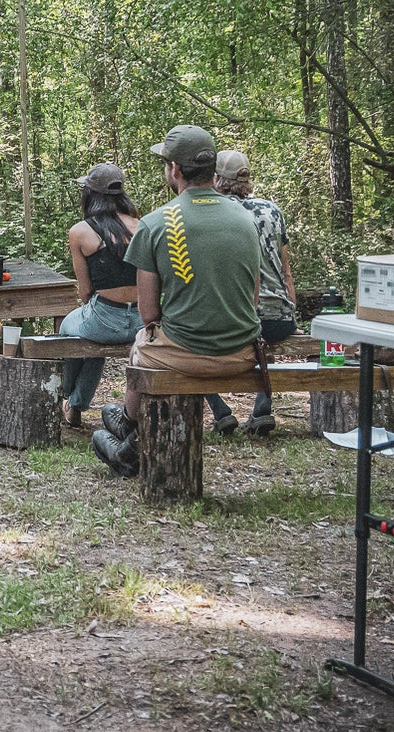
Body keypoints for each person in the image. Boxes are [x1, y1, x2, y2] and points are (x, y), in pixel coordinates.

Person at [93, 125, 262, 475]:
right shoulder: (246, 219)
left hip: (186, 354)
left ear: (175, 170)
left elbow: (149, 314)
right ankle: (127, 434)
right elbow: (253, 296)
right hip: (243, 353)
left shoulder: (156, 223)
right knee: (146, 343)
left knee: (141, 344)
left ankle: (129, 436)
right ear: (212, 169)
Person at [204, 150, 299, 437]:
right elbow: (286, 271)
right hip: (278, 319)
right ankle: (262, 409)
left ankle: (221, 411)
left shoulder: (213, 211)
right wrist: (291, 312)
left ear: (215, 178)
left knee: (188, 340)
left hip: (236, 318)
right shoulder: (272, 210)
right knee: (264, 340)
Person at [56, 163, 143, 427]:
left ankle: (67, 397)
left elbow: (85, 291)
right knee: (90, 340)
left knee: (68, 328)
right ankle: (74, 403)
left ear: (90, 194)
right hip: (142, 321)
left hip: (103, 318)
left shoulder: (80, 232)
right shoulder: (143, 226)